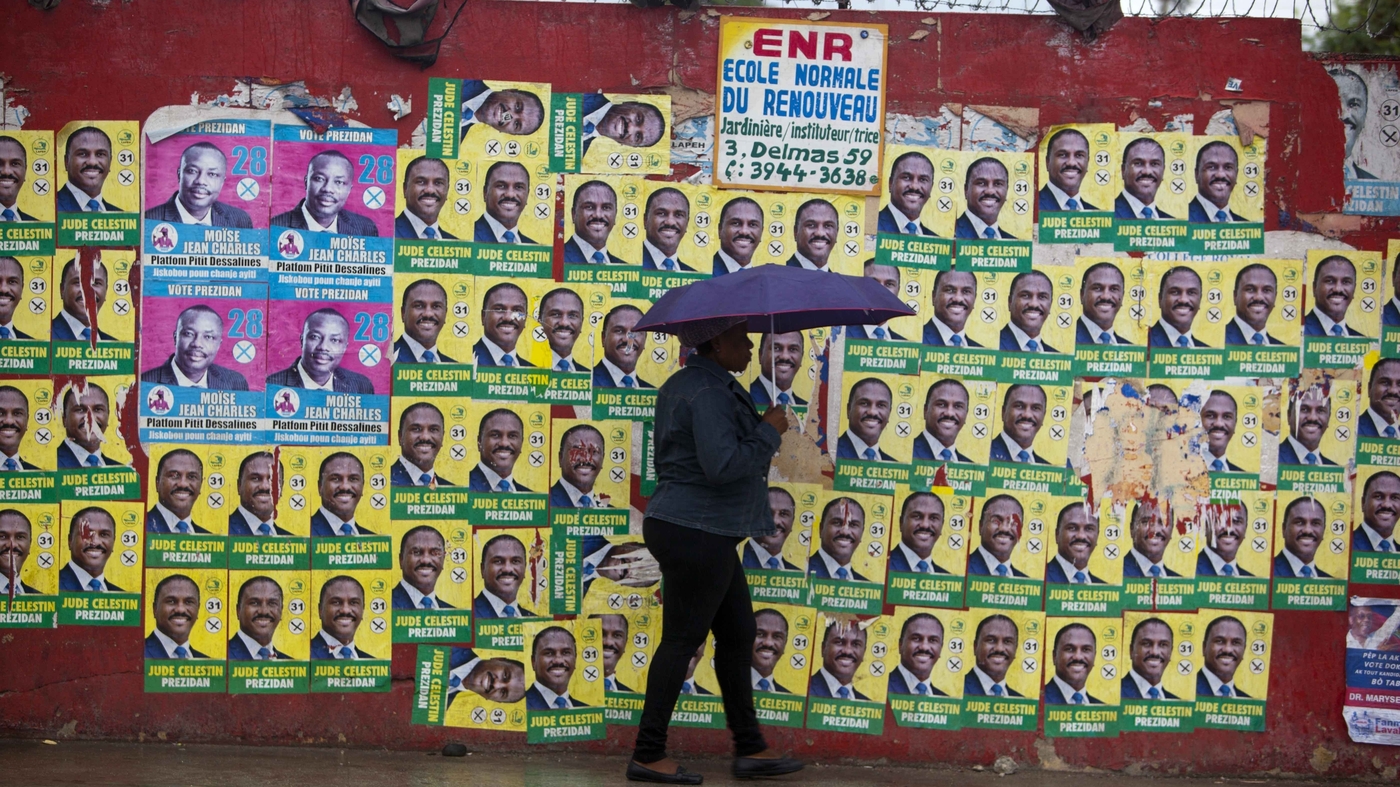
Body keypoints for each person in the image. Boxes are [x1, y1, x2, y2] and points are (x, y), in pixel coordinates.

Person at [633, 315, 800, 783]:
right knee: (682, 640)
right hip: (695, 528)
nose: (750, 349)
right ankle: (647, 754)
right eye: (741, 340)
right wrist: (768, 431)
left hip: (704, 528)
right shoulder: (706, 394)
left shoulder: (703, 385)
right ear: (716, 344)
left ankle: (750, 748)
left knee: (739, 632)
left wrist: (759, 423)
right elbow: (722, 465)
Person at [144, 142, 253, 228]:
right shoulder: (149, 220)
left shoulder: (240, 220)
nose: (201, 181)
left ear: (222, 182)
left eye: (212, 174)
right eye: (192, 171)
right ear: (179, 175)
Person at [266, 309, 374, 393]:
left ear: (345, 347)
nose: (323, 347)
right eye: (315, 337)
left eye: (334, 340)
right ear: (302, 340)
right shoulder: (272, 384)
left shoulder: (362, 386)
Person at [141, 305, 249, 390]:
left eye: (208, 337)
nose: (197, 344)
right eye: (189, 334)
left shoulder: (236, 383)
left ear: (218, 345)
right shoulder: (145, 382)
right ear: (175, 338)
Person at [271, 151, 378, 236]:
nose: (327, 189)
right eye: (319, 179)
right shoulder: (275, 226)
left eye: (339, 182)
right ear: (306, 182)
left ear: (349, 190)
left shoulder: (366, 228)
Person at [56, 383, 123, 468]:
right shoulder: (48, 466)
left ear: (108, 416)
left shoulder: (120, 469)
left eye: (98, 409)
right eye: (80, 410)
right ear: (64, 419)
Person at [57, 127, 122, 213]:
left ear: (110, 162)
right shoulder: (50, 209)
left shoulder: (119, 214)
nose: (92, 162)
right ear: (66, 162)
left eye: (100, 154)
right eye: (82, 154)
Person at [311, 575, 377, 659]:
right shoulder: (303, 656)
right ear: (320, 610)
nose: (345, 610)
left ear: (362, 609)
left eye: (353, 602)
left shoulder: (372, 663)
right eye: (336, 602)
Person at [59, 506, 123, 592]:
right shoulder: (51, 587)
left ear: (113, 541)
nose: (95, 542)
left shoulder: (121, 595)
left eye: (104, 535)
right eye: (86, 533)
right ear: (70, 540)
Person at [144, 574, 209, 659]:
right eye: (171, 601)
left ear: (198, 609)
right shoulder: (135, 654)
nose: (180, 609)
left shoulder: (206, 662)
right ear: (155, 609)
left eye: (188, 602)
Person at [228, 575, 293, 660]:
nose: (264, 611)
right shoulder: (221, 656)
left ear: (281, 610)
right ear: (238, 610)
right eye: (254, 603)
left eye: (272, 603)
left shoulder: (289, 663)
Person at [146, 449, 210, 534]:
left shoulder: (207, 537)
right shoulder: (140, 527)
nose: (183, 484)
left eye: (191, 477)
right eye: (174, 475)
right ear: (157, 482)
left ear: (201, 484)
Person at [52, 257, 115, 342]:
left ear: (106, 291)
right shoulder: (44, 336)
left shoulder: (114, 344)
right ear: (62, 289)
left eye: (96, 283)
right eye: (79, 282)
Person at [228, 451, 291, 536]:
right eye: (255, 478)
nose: (265, 487)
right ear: (239, 485)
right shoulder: (222, 531)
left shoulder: (291, 539)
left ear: (281, 487)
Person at [564, 180, 627, 264]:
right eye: (589, 207)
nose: (598, 215)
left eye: (606, 208)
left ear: (615, 215)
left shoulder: (623, 267)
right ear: (574, 214)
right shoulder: (556, 258)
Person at [309, 453, 373, 536]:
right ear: (320, 486)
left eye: (353, 479)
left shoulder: (371, 538)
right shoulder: (304, 533)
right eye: (335, 479)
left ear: (362, 486)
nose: (345, 486)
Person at [392, 402, 454, 487]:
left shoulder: (451, 489)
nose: (425, 437)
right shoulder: (385, 480)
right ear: (400, 437)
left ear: (442, 437)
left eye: (433, 429)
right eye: (416, 429)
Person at [1331, 66, 1377, 179]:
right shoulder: (1295, 183)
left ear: (1365, 113)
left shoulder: (1376, 187)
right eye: (1332, 102)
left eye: (1354, 104)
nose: (1344, 114)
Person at [445, 646, 528, 708]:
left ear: (494, 700)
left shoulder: (442, 706)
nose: (496, 685)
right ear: (498, 659)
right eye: (505, 675)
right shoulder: (452, 642)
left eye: (503, 692)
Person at [473, 281, 533, 367]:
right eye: (499, 309)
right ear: (483, 316)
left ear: (525, 319)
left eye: (517, 310)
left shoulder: (533, 370)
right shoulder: (465, 361)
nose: (508, 317)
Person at [470, 409, 532, 493]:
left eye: (512, 436)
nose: (504, 443)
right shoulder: (462, 488)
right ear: (479, 441)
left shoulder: (529, 495)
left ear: (521, 443)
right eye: (495, 435)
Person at [393, 525, 453, 610]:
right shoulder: (386, 606)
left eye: (435, 553)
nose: (426, 560)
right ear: (401, 559)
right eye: (416, 552)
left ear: (443, 558)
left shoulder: (452, 612)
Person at [474, 162, 536, 244]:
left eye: (518, 187)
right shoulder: (466, 238)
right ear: (485, 192)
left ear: (527, 194)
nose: (510, 194)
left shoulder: (533, 247)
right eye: (501, 186)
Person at [807, 497, 869, 580]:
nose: (845, 532)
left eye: (853, 525)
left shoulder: (865, 584)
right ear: (821, 528)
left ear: (862, 532)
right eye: (837, 523)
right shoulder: (802, 571)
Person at [394, 279, 454, 363]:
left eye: (436, 306)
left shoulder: (454, 367)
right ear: (403, 313)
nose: (428, 314)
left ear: (445, 313)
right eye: (419, 306)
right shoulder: (387, 359)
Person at [581, 96, 666, 155]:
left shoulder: (578, 154)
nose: (630, 128)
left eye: (637, 136)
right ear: (629, 103)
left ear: (627, 145)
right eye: (638, 119)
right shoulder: (584, 94)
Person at [1222, 263, 1283, 346]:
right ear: (1235, 296)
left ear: (1275, 297)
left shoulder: (1281, 347)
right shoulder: (1218, 340)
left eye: (1266, 290)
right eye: (1250, 289)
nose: (1259, 297)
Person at [890, 492, 951, 575]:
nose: (925, 525)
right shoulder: (882, 567)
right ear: (901, 522)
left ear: (942, 525)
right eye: (917, 516)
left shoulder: (946, 577)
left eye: (933, 518)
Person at [955, 158, 1016, 240]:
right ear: (966, 190)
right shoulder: (950, 232)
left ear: (1007, 190)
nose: (990, 191)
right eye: (981, 183)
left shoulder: (1013, 242)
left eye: (998, 184)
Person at [395, 156, 455, 240]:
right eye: (421, 182)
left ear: (447, 190)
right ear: (405, 189)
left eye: (438, 183)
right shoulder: (386, 233)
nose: (430, 190)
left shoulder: (455, 243)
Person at [527, 626, 588, 709]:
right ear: (533, 661)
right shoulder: (520, 706)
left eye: (566, 653)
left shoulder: (586, 709)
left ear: (575, 659)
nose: (558, 660)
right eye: (548, 653)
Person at [1304, 255, 1365, 337]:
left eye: (1346, 282)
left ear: (1354, 289)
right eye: (1329, 281)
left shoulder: (1361, 340)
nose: (1338, 289)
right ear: (1314, 288)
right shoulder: (1299, 331)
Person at [913, 379, 972, 463]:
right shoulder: (906, 453)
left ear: (966, 414)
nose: (949, 413)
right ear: (925, 411)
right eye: (941, 404)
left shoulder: (970, 466)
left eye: (958, 406)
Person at [879, 151, 937, 236]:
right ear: (890, 183)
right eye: (906, 177)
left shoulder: (936, 240)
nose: (914, 186)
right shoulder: (871, 225)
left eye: (923, 179)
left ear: (931, 187)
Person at [593, 304, 653, 388]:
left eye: (635, 332)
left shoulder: (653, 393)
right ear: (603, 338)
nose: (628, 339)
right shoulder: (586, 384)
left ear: (645, 339)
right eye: (619, 331)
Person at [475, 533, 534, 618]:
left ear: (524, 568)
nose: (508, 569)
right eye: (498, 561)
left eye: (515, 561)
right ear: (482, 569)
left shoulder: (533, 620)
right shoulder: (468, 616)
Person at [550, 424, 609, 508]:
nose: (586, 458)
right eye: (577, 451)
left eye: (594, 451)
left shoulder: (610, 512)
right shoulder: (544, 503)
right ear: (560, 458)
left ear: (602, 459)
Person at [808, 620, 870, 700]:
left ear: (864, 652)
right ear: (823, 648)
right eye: (839, 642)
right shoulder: (803, 690)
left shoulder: (867, 703)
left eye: (856, 644)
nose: (847, 651)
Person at [742, 488, 801, 571]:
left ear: (792, 522)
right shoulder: (736, 562)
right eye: (767, 513)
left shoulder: (798, 575)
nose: (775, 521)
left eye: (783, 514)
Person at [846, 261, 907, 341]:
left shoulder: (904, 344)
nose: (881, 290)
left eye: (889, 284)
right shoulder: (839, 337)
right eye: (873, 282)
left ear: (898, 290)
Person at [836, 378, 895, 461]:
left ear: (889, 412)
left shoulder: (893, 465)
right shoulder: (829, 453)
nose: (872, 412)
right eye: (864, 403)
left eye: (881, 405)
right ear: (849, 409)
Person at [459, 80, 544, 137]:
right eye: (517, 106)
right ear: (510, 90)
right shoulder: (464, 78)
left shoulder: (455, 140)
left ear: (508, 133)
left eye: (517, 124)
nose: (509, 115)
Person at [1040, 128, 1098, 211]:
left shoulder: (1096, 213)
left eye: (1079, 155)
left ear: (1087, 162)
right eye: (1062, 155)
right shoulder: (1032, 206)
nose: (1071, 163)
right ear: (1047, 162)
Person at [968, 494, 1027, 577]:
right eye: (995, 521)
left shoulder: (1024, 580)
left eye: (1014, 522)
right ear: (981, 526)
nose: (1005, 528)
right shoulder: (961, 569)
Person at [1279, 383, 1337, 466]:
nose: (1312, 418)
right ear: (1289, 416)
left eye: (1320, 410)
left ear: (1329, 417)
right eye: (1304, 409)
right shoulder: (1273, 459)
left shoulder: (1334, 469)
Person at [1046, 501, 1104, 584]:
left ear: (1097, 536)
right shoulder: (1040, 578)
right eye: (1072, 528)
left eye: (1089, 529)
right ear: (1057, 535)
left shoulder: (1103, 588)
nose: (1081, 536)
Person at [1149, 266, 1208, 348]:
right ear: (1160, 299)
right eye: (1175, 292)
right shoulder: (1143, 343)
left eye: (1191, 293)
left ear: (1200, 300)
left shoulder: (1206, 350)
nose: (1183, 300)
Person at [888, 613, 946, 696]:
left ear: (941, 648)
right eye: (916, 638)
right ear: (900, 645)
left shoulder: (945, 700)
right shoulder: (881, 687)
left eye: (933, 640)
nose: (924, 647)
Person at [1116, 137, 1174, 219]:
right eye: (1138, 163)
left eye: (1154, 164)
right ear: (1123, 170)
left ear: (1163, 170)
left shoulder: (1171, 222)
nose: (1147, 171)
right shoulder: (1107, 214)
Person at [1000, 270, 1057, 353]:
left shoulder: (1056, 356)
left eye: (1042, 297)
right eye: (1025, 295)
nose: (1034, 304)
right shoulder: (991, 345)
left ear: (1050, 305)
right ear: (1010, 302)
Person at [1188, 141, 1246, 223]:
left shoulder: (1244, 224)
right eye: (1211, 167)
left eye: (1228, 167)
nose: (1220, 175)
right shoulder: (1182, 219)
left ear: (1236, 174)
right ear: (1196, 174)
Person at [965, 614, 1022, 696]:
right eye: (991, 640)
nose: (999, 648)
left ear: (1015, 649)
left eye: (1007, 641)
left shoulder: (1020, 700)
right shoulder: (956, 689)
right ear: (975, 646)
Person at [1275, 496, 1332, 578]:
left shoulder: (1329, 581)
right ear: (1284, 529)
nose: (1307, 530)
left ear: (1323, 530)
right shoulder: (1266, 572)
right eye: (1299, 522)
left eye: (1315, 523)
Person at [922, 269, 982, 348]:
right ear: (934, 296)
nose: (958, 298)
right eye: (949, 290)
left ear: (975, 298)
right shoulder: (915, 340)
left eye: (966, 291)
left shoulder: (980, 351)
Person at [990, 384, 1049, 464]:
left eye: (1035, 408)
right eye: (1019, 406)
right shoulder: (983, 455)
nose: (1027, 415)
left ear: (1044, 415)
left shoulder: (1051, 468)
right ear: (1003, 412)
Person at [1045, 623, 1102, 705]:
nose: (1078, 657)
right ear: (1054, 656)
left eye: (1086, 649)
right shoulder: (1038, 700)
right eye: (1069, 649)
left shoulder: (1101, 707)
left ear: (1094, 656)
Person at [640, 187, 695, 271]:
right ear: (645, 220)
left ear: (687, 223)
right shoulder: (629, 266)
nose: (670, 222)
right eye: (661, 213)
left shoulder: (693, 275)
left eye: (678, 215)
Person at [1077, 262, 1132, 345]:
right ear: (1082, 295)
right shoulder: (1065, 341)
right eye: (1097, 288)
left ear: (1122, 296)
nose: (1106, 296)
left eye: (1114, 289)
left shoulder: (1130, 348)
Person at [1122, 618, 1178, 699]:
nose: (1155, 652)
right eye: (1146, 644)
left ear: (1171, 652)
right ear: (1131, 650)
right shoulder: (1114, 694)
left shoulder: (1176, 702)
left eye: (1163, 645)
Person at [1124, 500, 1179, 578]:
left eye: (1164, 522)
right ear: (1132, 529)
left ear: (1172, 529)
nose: (1155, 530)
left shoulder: (1179, 580)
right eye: (1146, 522)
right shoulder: (1115, 575)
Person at [1198, 615, 1250, 698]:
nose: (1228, 649)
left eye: (1236, 643)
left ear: (1244, 649)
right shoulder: (1186, 693)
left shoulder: (1248, 701)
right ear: (1204, 647)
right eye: (1219, 641)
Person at [749, 332, 806, 407]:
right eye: (776, 348)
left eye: (793, 349)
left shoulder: (808, 407)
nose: (785, 356)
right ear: (760, 355)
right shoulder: (744, 400)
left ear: (802, 357)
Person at [538, 288, 587, 372]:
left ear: (581, 322)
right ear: (540, 321)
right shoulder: (524, 371)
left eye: (572, 315)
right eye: (556, 314)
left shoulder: (589, 376)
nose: (564, 323)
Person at [712, 197, 763, 276]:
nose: (744, 231)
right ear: (720, 229)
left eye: (753, 225)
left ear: (761, 232)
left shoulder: (762, 279)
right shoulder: (701, 273)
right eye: (736, 223)